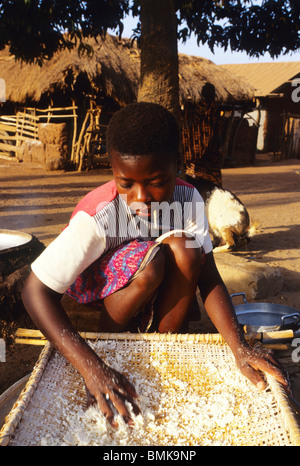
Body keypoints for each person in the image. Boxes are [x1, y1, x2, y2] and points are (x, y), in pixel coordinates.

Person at [21, 102, 290, 428]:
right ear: (113, 172)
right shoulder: (97, 216)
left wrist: (240, 348)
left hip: (147, 273)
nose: (142, 197)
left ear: (176, 166)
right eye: (126, 183)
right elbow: (34, 291)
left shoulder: (188, 198)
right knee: (152, 264)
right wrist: (92, 369)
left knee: (188, 251)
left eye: (156, 181)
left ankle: (165, 349)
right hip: (97, 290)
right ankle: (112, 349)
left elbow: (208, 275)